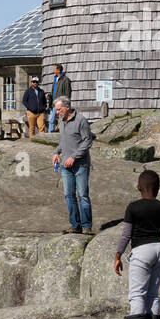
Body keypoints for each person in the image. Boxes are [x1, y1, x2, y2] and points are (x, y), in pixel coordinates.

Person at [113, 169, 160, 319]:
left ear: (138, 187)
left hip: (142, 251)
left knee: (137, 294)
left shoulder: (133, 207)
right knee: (153, 294)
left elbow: (126, 234)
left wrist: (118, 255)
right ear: (158, 188)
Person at [52, 97, 93, 234]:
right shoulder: (62, 121)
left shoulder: (81, 120)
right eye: (56, 110)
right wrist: (56, 152)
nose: (57, 112)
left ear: (67, 107)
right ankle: (75, 226)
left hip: (81, 165)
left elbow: (87, 142)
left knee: (82, 195)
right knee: (69, 195)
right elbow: (63, 141)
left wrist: (74, 157)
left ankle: (86, 226)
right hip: (65, 166)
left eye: (59, 109)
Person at [47, 64, 70, 132]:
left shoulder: (65, 79)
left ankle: (62, 134)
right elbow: (54, 91)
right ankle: (50, 134)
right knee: (51, 119)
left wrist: (65, 103)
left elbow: (67, 92)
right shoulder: (55, 79)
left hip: (61, 103)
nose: (53, 70)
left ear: (58, 70)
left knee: (62, 120)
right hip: (54, 103)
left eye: (55, 69)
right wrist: (50, 96)